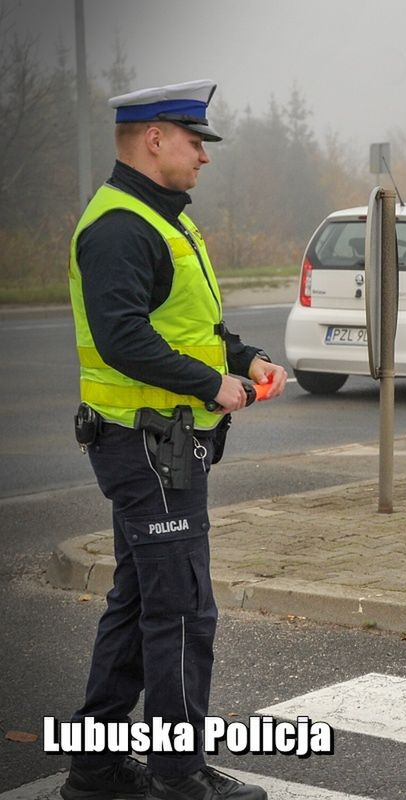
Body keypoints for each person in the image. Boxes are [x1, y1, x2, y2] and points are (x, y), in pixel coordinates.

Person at [62, 80, 284, 800]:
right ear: (154, 138)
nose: (204, 157)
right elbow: (123, 337)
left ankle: (96, 768)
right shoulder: (121, 226)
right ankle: (178, 776)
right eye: (196, 141)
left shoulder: (163, 219)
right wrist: (211, 384)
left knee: (139, 600)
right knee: (183, 608)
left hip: (160, 445)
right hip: (145, 447)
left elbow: (188, 325)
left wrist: (243, 358)